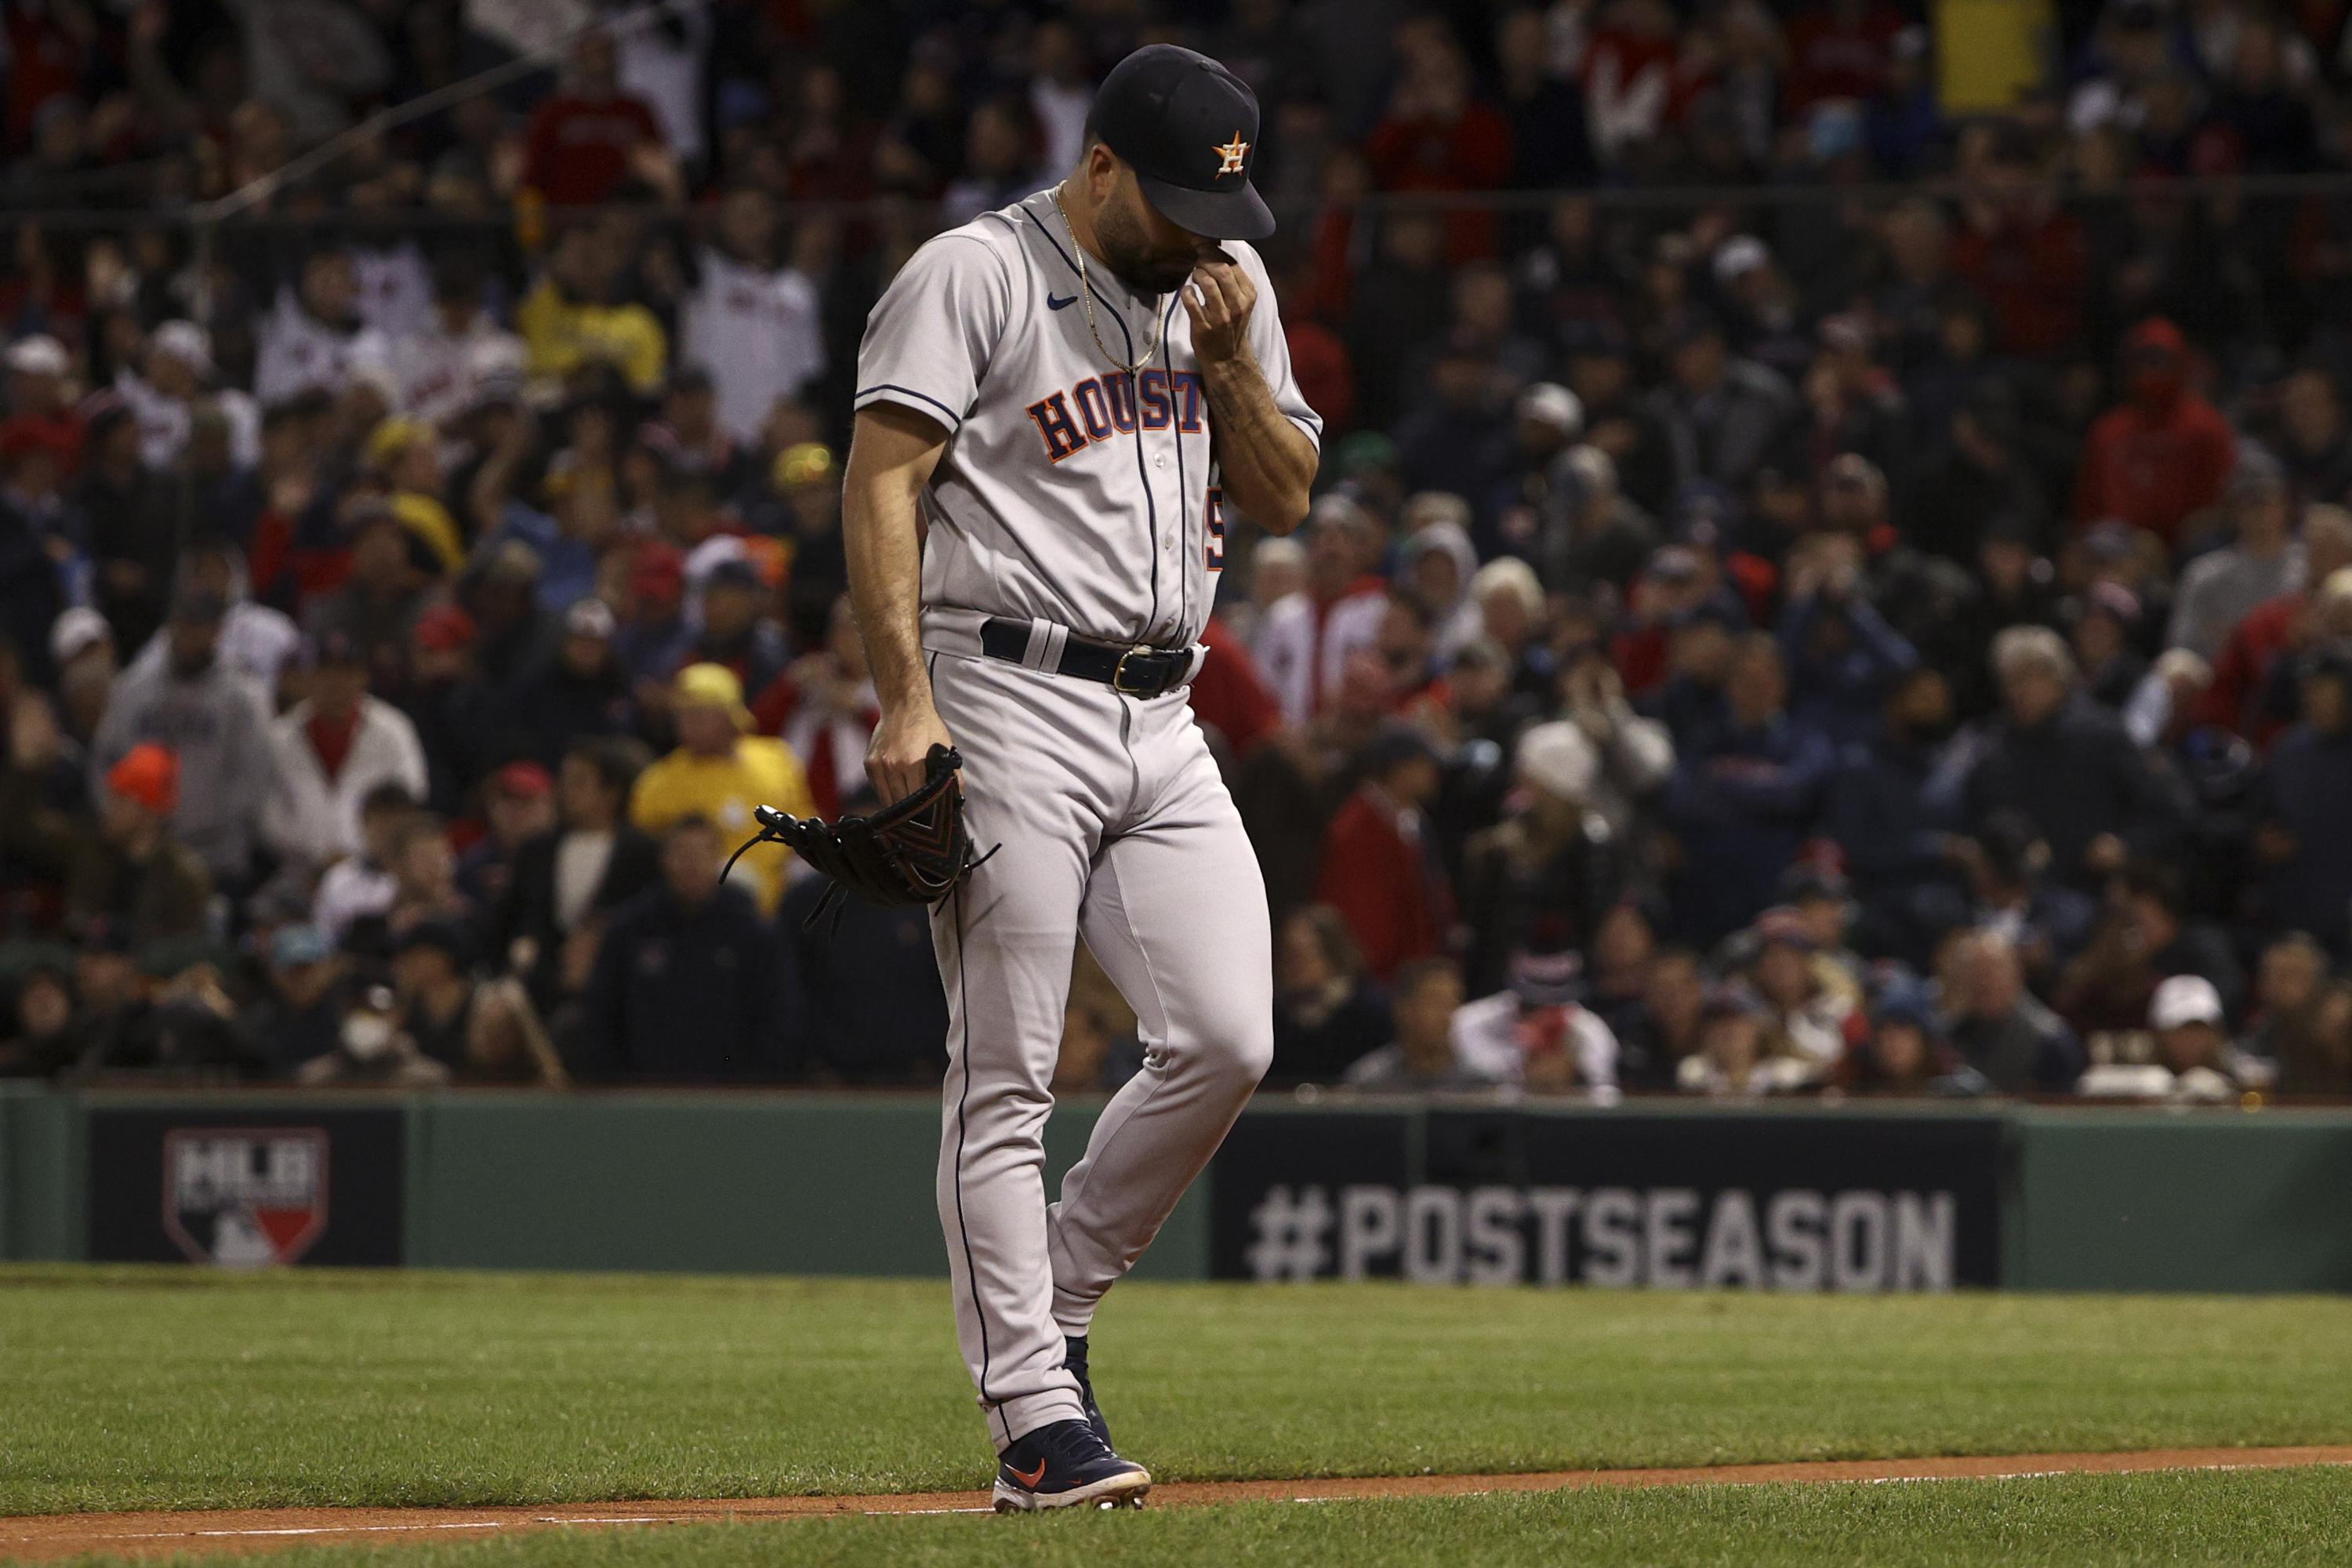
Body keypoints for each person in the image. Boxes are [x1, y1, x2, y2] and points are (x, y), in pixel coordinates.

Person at [842, 45, 1317, 1508]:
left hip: (1166, 714)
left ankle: (1050, 1294)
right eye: (1173, 202)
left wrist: (1234, 363)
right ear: (1099, 165)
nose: (1198, 234)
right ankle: (1035, 1419)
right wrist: (906, 702)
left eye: (1218, 208)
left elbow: (1291, 495)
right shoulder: (971, 274)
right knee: (1007, 1076)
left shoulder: (1225, 289)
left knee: (1231, 1038)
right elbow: (879, 478)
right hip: (1007, 688)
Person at [570, 815, 795, 1083]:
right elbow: (602, 1013)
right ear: (663, 859)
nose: (691, 865)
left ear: (719, 860)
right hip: (644, 1094)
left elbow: (779, 1018)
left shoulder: (753, 935)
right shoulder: (630, 930)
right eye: (681, 853)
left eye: (701, 854)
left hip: (732, 1097)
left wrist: (757, 1087)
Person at [89, 583, 276, 890]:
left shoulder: (244, 697)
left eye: (199, 625)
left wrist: (204, 832)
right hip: (136, 853)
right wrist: (120, 819)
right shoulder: (133, 687)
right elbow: (104, 761)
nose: (189, 633)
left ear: (217, 630)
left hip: (214, 859)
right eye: (184, 623)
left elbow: (252, 781)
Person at [627, 662, 814, 914]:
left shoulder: (777, 759)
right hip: (699, 912)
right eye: (682, 714)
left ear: (730, 716)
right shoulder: (657, 782)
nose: (688, 723)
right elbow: (643, 859)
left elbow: (805, 827)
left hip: (783, 907)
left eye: (700, 713)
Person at [499, 737, 659, 1011]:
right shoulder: (538, 851)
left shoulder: (644, 853)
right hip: (543, 987)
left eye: (580, 782)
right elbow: (510, 917)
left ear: (611, 793)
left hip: (621, 985)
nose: (567, 791)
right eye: (565, 780)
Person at [261, 632, 430, 874]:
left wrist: (359, 854)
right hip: (299, 871)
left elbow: (411, 794)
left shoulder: (393, 730)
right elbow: (268, 814)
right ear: (310, 677)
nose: (338, 682)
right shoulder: (281, 737)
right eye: (328, 672)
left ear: (364, 677)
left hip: (379, 871)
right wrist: (318, 855)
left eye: (347, 672)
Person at [1313, 724, 1453, 982]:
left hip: (1413, 971)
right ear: (1399, 769)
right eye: (1423, 764)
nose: (1434, 774)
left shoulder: (1410, 818)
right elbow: (1361, 921)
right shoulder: (1357, 830)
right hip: (1383, 979)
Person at [67, 743, 212, 947]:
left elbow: (184, 950)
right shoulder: (95, 856)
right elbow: (77, 924)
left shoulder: (184, 876)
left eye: (121, 801)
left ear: (149, 811)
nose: (109, 811)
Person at [1269, 904, 1393, 1085]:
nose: (1291, 964)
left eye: (1301, 954)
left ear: (1333, 953)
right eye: (1286, 952)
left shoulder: (1370, 1011)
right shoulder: (1272, 1014)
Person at [1341, 957, 1484, 1091]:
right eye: (1435, 1003)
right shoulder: (1368, 1083)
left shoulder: (1478, 1085)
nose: (1446, 1016)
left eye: (1452, 1004)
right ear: (1404, 1009)